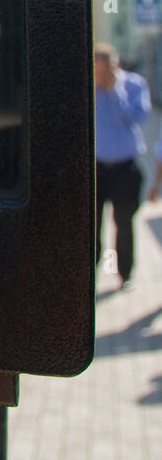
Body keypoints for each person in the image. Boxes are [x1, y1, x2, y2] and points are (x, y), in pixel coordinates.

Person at [94, 43, 147, 290]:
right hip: (96, 168)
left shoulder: (133, 83)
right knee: (91, 225)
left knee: (124, 222)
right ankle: (88, 276)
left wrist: (114, 91)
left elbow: (137, 118)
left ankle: (125, 273)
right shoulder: (88, 85)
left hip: (125, 166)